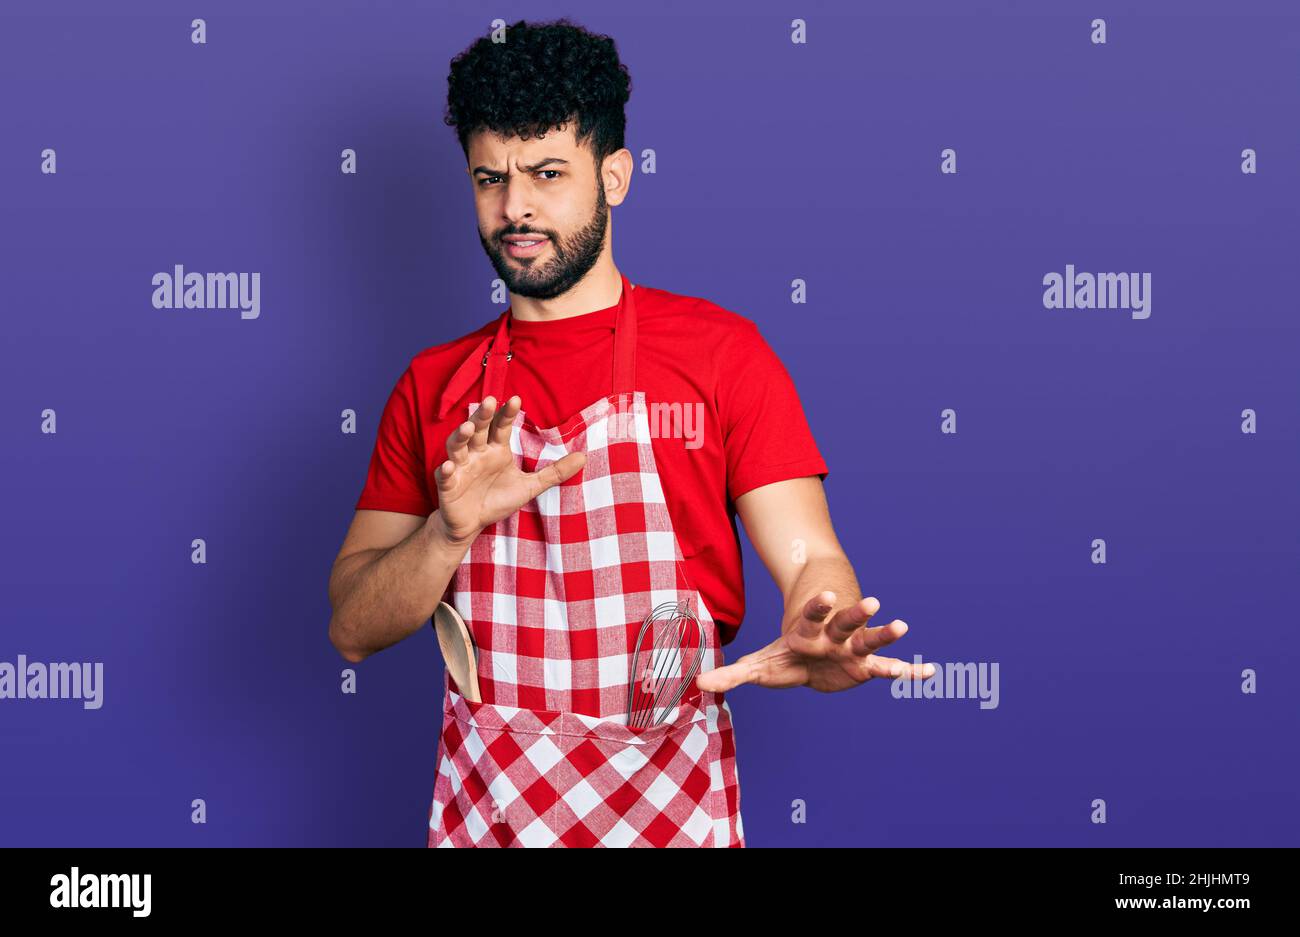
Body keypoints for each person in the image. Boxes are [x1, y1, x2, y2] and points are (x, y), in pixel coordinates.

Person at [327, 17, 934, 848]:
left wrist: (818, 617)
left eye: (547, 173)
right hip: (490, 817)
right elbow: (352, 628)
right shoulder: (434, 385)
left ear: (615, 175)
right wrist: (448, 530)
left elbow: (809, 555)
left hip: (671, 813)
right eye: (489, 178)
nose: (516, 208)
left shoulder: (722, 355)